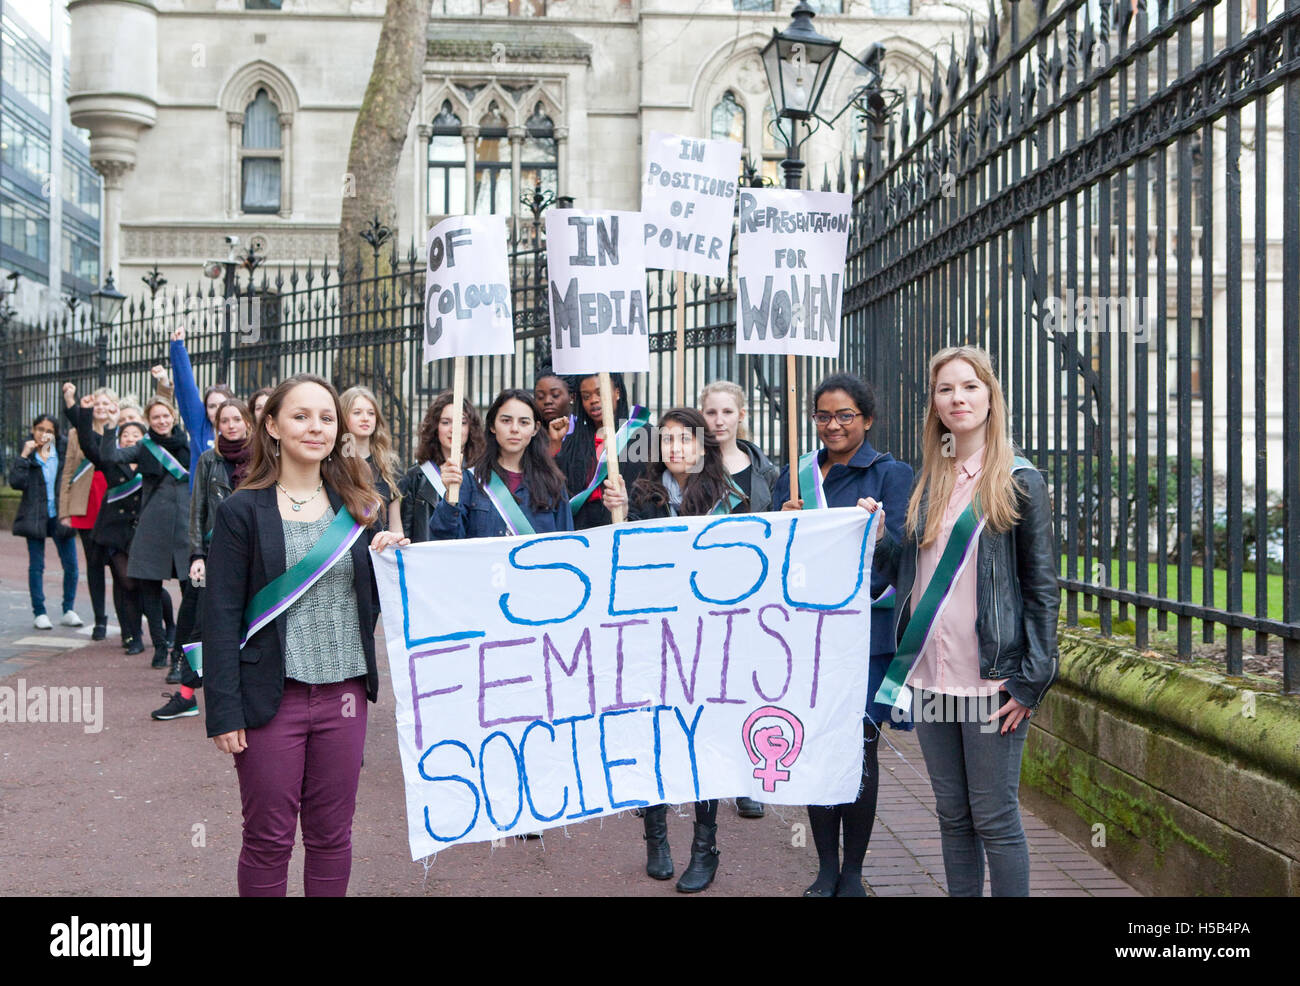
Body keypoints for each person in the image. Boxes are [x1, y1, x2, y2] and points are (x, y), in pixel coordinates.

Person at [861, 346, 1059, 897]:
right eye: (946, 389)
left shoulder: (1020, 481)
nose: (958, 398)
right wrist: (878, 538)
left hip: (991, 679)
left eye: (969, 386)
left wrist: (1033, 677)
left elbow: (1042, 589)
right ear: (935, 405)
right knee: (951, 816)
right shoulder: (929, 481)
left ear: (990, 396)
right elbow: (904, 572)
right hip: (927, 676)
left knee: (994, 818)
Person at [205, 374, 407, 897]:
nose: (315, 427)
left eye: (325, 416)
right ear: (270, 425)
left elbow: (373, 603)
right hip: (271, 700)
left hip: (344, 695)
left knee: (332, 836)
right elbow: (221, 617)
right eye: (300, 416)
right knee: (269, 839)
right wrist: (223, 711)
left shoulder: (360, 507)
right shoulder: (240, 512)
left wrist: (392, 562)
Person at [774, 372, 914, 897]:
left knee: (858, 747)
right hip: (808, 634)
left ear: (867, 419)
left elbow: (902, 556)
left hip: (866, 635)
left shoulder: (891, 475)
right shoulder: (795, 476)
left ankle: (853, 871)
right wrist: (781, 523)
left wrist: (873, 539)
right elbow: (774, 559)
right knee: (817, 745)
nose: (832, 425)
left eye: (844, 416)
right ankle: (825, 867)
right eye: (823, 416)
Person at [602, 407, 745, 894]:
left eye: (686, 439)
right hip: (652, 636)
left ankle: (704, 847)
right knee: (655, 735)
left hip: (711, 638)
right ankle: (656, 837)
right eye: (667, 440)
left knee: (705, 737)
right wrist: (613, 512)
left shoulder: (731, 497)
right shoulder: (639, 495)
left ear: (704, 445)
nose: (676, 448)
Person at [698, 379, 780, 820]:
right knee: (709, 688)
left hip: (754, 593)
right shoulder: (689, 464)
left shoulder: (767, 471)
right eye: (711, 413)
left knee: (751, 686)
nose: (719, 421)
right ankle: (710, 773)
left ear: (741, 415)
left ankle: (750, 778)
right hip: (704, 592)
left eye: (727, 412)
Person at [152, 398, 255, 720]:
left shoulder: (265, 459)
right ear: (217, 426)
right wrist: (196, 554)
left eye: (237, 419)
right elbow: (197, 511)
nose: (231, 425)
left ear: (248, 423)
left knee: (253, 624)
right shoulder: (209, 460)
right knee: (198, 625)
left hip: (254, 556)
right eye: (225, 420)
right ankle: (186, 695)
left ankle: (248, 694)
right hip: (213, 556)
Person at [99, 396, 192, 669]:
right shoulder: (143, 447)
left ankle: (185, 649)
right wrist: (111, 426)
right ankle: (160, 647)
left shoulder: (188, 442)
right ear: (148, 421)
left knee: (192, 592)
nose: (161, 421)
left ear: (173, 416)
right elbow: (110, 456)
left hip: (186, 528)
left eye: (165, 416)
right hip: (153, 526)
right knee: (149, 588)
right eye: (155, 417)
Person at [428, 389, 572, 539]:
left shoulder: (552, 483)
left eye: (524, 422)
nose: (514, 429)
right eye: (506, 421)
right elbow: (446, 541)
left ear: (535, 429)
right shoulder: (471, 481)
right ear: (492, 426)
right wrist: (450, 498)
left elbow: (567, 545)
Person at [10, 415, 81, 630]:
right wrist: (24, 455)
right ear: (32, 430)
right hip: (35, 515)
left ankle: (68, 609)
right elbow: (16, 483)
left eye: (49, 430)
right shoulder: (28, 454)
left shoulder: (62, 451)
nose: (44, 434)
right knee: (36, 566)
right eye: (40, 429)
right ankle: (39, 612)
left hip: (60, 514)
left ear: (56, 433)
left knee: (71, 566)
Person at [556, 371, 648, 530]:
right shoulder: (572, 440)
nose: (593, 400)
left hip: (629, 523)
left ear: (617, 392)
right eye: (586, 396)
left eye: (600, 393)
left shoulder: (641, 433)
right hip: (583, 529)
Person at [59, 384, 113, 638]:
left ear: (114, 406)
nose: (101, 408)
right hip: (86, 500)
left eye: (106, 403)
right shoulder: (76, 433)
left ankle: (128, 617)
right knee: (93, 563)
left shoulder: (121, 428)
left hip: (114, 500)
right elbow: (69, 470)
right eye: (97, 403)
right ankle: (100, 619)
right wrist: (64, 510)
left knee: (117, 562)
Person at [396, 391, 484, 545]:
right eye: (445, 422)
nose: (453, 429)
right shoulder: (416, 476)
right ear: (435, 426)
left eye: (462, 423)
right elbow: (406, 533)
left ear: (471, 428)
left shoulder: (481, 475)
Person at [339, 385, 402, 535]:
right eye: (357, 413)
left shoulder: (389, 465)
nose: (365, 418)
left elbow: (395, 525)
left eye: (371, 413)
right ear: (343, 416)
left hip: (380, 550)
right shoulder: (334, 463)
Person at [533, 369, 573, 456]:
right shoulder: (531, 433)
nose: (547, 401)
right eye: (540, 397)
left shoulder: (583, 430)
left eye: (555, 395)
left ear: (571, 397)